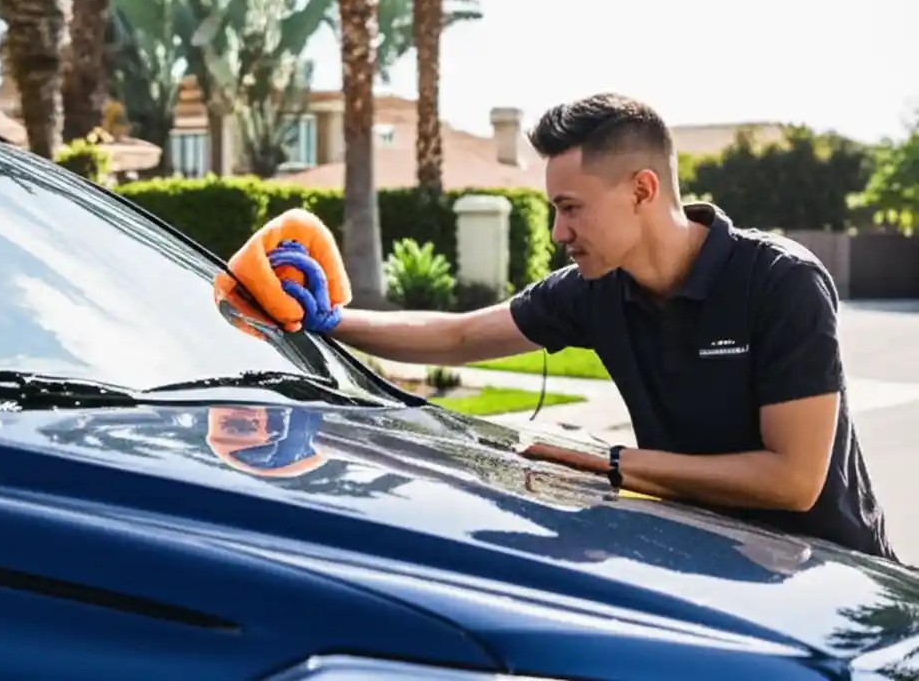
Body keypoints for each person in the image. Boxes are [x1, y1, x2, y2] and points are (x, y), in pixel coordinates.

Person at [254, 92, 896, 562]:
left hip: (831, 580)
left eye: (571, 209)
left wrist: (612, 463)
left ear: (643, 189)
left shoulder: (781, 281)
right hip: (705, 559)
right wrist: (331, 321)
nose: (559, 232)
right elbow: (459, 336)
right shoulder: (596, 290)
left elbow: (793, 480)